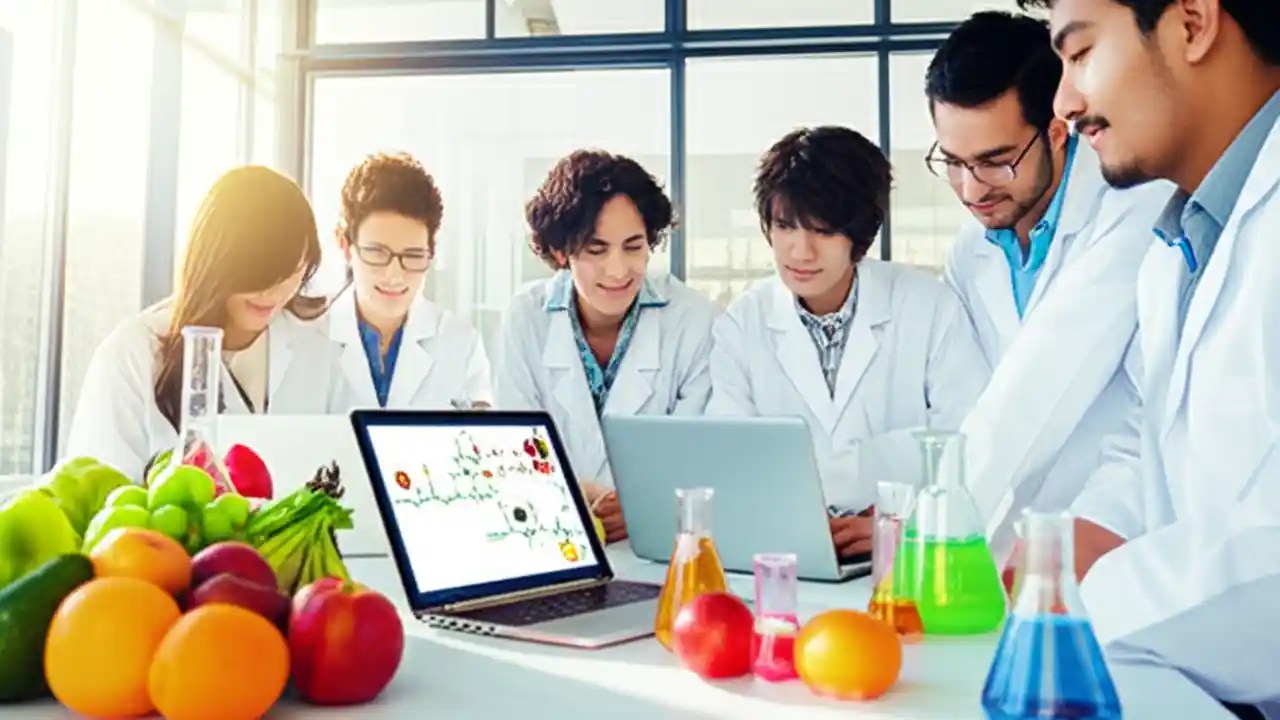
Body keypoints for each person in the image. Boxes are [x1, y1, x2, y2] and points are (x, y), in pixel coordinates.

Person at [1020, 0, 1280, 715]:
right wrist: (1083, 532)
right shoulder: (1181, 242)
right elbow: (1158, 437)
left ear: (1193, 22)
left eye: (1079, 54)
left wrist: (1092, 596)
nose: (1065, 102)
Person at [925, 11, 1172, 561]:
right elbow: (973, 402)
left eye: (994, 162)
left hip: (1106, 538)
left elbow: (1044, 380)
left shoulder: (1132, 211)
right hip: (1003, 545)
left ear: (1057, 132)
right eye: (953, 162)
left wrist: (936, 527)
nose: (970, 189)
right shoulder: (971, 252)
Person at [705, 126, 991, 559]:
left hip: (913, 554)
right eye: (785, 226)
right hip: (786, 556)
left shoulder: (929, 307)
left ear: (861, 234)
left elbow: (972, 441)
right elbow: (729, 465)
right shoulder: (741, 326)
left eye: (822, 231)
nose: (800, 252)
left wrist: (905, 522)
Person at [494, 149, 718, 542]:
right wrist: (566, 499)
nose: (617, 270)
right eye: (597, 250)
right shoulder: (526, 318)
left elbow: (703, 459)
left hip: (660, 546)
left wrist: (648, 506)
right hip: (554, 538)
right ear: (562, 252)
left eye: (633, 247)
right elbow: (513, 456)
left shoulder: (695, 321)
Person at [67, 166, 335, 480]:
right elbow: (99, 496)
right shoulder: (132, 354)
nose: (271, 291)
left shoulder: (322, 342)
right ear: (214, 260)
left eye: (291, 269)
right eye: (258, 270)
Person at [327, 152, 492, 411]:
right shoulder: (308, 338)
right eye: (377, 253)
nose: (394, 275)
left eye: (413, 256)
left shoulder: (460, 343)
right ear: (344, 244)